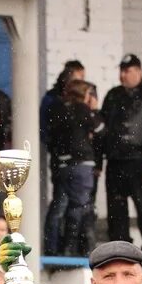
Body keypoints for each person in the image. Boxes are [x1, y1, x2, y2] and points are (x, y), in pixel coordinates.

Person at [100, 55, 142, 260]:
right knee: (116, 209)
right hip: (116, 161)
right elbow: (103, 129)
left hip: (141, 161)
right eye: (121, 70)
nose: (123, 75)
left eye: (128, 71)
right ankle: (120, 251)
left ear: (139, 72)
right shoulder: (113, 95)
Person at [44, 79, 102, 256]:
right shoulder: (83, 110)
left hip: (62, 165)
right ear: (84, 95)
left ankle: (52, 248)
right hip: (81, 166)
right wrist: (94, 110)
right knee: (79, 206)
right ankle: (71, 247)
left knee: (58, 206)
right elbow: (100, 129)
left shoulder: (57, 109)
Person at [41, 60, 86, 144]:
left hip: (78, 148)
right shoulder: (51, 98)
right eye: (79, 78)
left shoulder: (84, 97)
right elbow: (44, 127)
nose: (82, 82)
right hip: (59, 147)